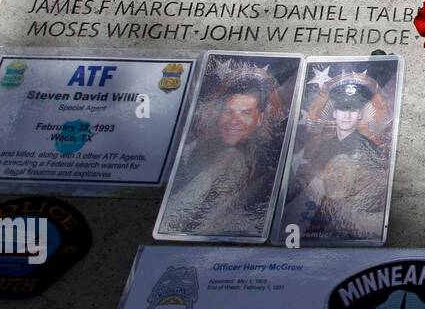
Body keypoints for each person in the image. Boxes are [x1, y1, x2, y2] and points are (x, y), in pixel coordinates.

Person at [165, 70, 280, 235]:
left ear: (260, 118)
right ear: (219, 114)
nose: (234, 121)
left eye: (245, 113)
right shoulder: (192, 151)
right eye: (228, 111)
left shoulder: (268, 166)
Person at [283, 71, 388, 240]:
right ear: (334, 113)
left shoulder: (371, 149)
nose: (346, 116)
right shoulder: (320, 148)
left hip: (353, 223)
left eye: (352, 110)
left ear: (359, 114)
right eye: (341, 109)